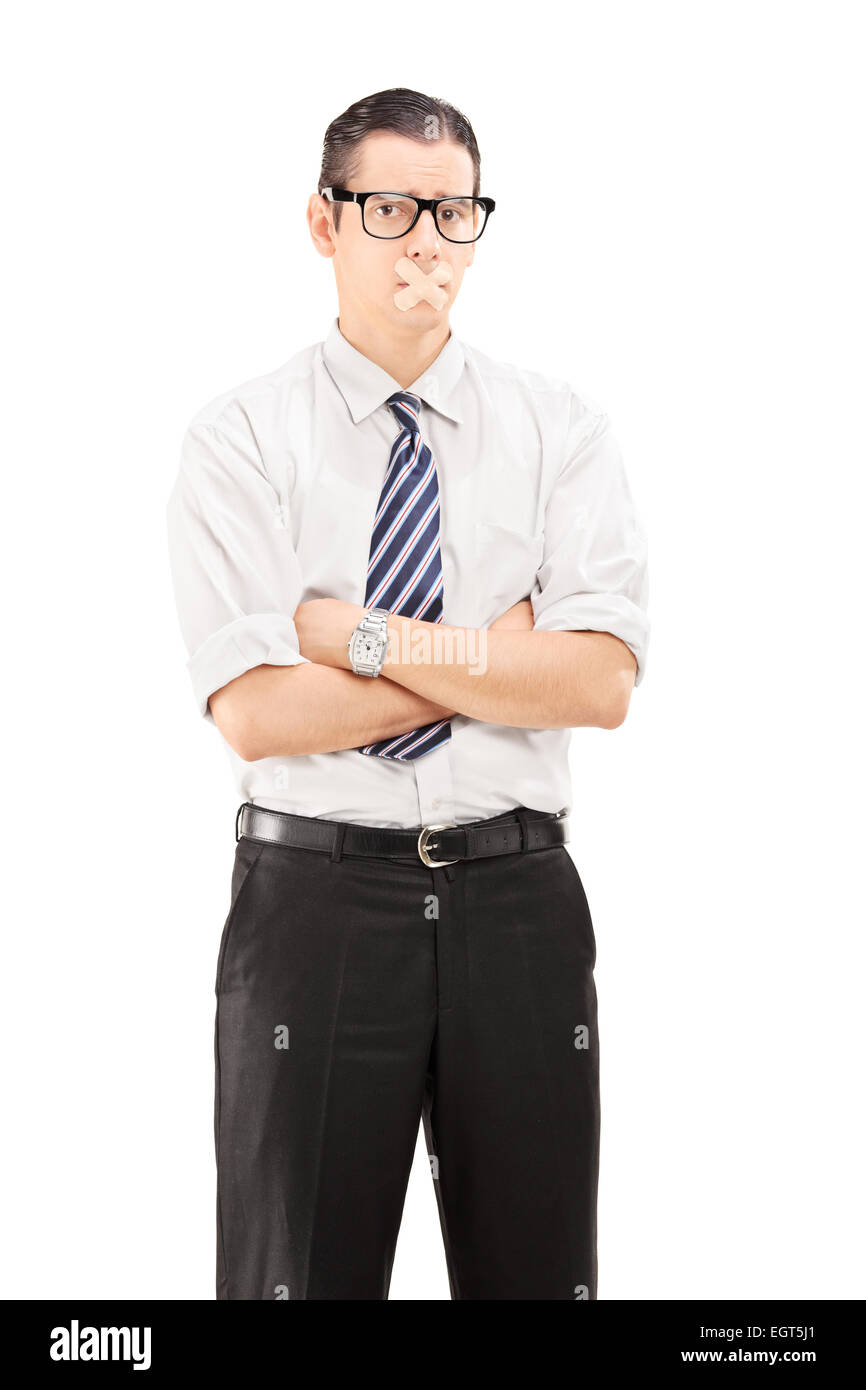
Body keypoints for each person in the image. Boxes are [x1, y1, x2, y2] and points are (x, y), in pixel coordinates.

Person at [166, 86, 650, 1301]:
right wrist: (494, 655)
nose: (426, 237)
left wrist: (363, 639)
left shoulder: (560, 431)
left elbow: (597, 681)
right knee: (295, 1283)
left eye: (453, 210)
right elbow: (258, 711)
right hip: (315, 906)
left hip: (519, 900)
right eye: (389, 207)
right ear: (323, 224)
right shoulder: (241, 438)